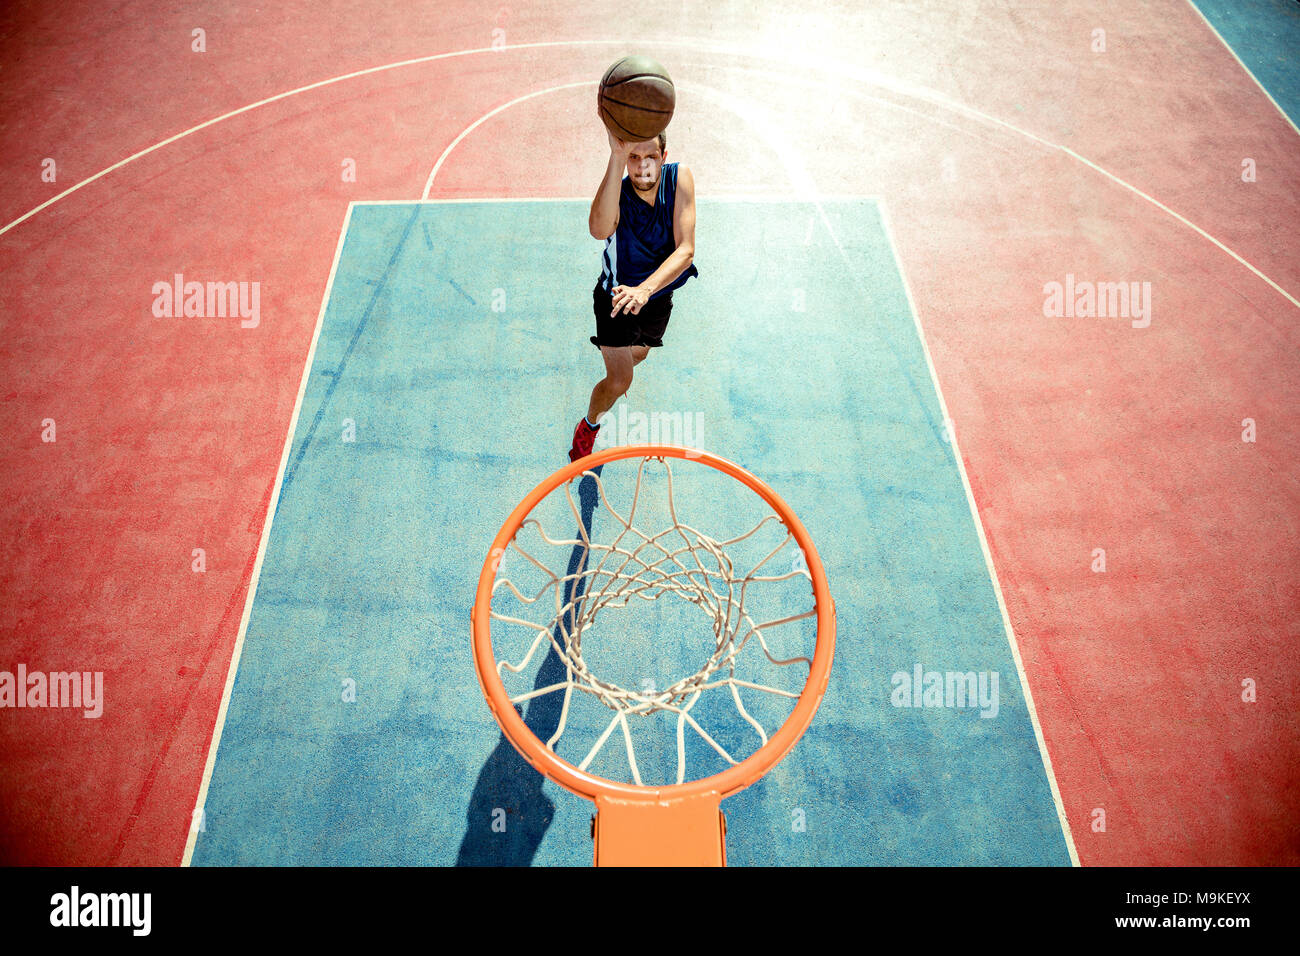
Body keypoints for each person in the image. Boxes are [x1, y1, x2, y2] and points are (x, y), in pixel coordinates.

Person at [568, 111, 698, 462]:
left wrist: (647, 289)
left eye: (651, 156)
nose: (643, 166)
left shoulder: (680, 177)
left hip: (657, 295)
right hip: (618, 297)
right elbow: (598, 229)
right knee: (620, 381)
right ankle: (589, 425)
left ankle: (617, 354)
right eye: (633, 157)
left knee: (639, 353)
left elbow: (686, 249)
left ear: (664, 157)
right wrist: (615, 156)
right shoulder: (619, 193)